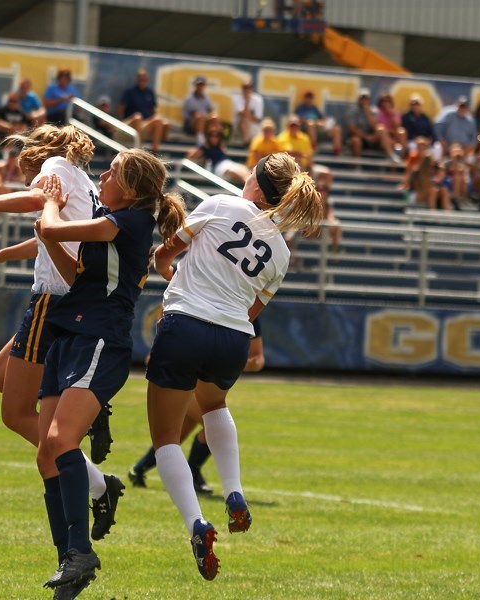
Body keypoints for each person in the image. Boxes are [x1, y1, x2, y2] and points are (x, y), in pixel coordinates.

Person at [0, 124, 126, 551]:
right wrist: (5, 254)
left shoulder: (55, 165)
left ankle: (98, 485)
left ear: (37, 153)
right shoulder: (82, 180)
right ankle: (92, 449)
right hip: (70, 300)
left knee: (19, 418)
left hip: (52, 300)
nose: (21, 166)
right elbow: (49, 231)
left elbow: (34, 201)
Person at [148, 152, 322, 581]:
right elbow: (251, 310)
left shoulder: (220, 204)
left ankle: (196, 524)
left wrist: (170, 274)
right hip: (232, 338)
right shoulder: (281, 250)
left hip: (186, 321)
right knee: (213, 404)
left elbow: (164, 254)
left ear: (257, 186)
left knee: (165, 438)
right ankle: (234, 491)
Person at [34, 151, 186, 597]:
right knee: (47, 455)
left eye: (113, 171)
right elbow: (74, 271)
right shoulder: (113, 218)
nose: (103, 174)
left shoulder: (133, 221)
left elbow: (52, 224)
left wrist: (50, 203)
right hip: (69, 335)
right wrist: (49, 236)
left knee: (62, 441)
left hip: (99, 339)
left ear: (132, 189)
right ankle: (69, 561)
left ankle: (81, 551)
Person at [128, 319, 265, 492]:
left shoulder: (247, 308)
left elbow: (258, 357)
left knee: (176, 433)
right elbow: (167, 324)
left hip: (206, 384)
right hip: (180, 376)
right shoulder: (193, 297)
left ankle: (139, 469)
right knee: (212, 425)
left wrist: (246, 362)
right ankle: (193, 473)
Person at [118, 69, 170, 153]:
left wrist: (157, 118)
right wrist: (121, 122)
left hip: (144, 124)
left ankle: (155, 152)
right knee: (137, 117)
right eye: (141, 79)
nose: (143, 82)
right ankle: (139, 149)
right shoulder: (130, 92)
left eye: (145, 80)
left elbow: (153, 111)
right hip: (131, 123)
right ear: (137, 80)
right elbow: (120, 109)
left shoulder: (150, 93)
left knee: (160, 121)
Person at [346, 88, 400, 163]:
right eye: (362, 98)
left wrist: (367, 112)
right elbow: (352, 129)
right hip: (359, 137)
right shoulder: (352, 111)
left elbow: (374, 126)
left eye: (366, 98)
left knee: (382, 129)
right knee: (356, 141)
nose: (364, 101)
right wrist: (365, 136)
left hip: (372, 138)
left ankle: (391, 156)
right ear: (358, 99)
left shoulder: (374, 111)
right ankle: (356, 167)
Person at [294, 89, 341, 155]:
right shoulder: (300, 107)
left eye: (310, 97)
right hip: (306, 129)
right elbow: (299, 119)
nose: (309, 99)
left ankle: (337, 150)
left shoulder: (314, 108)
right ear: (304, 98)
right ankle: (313, 146)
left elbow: (322, 118)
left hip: (318, 129)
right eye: (307, 97)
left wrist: (322, 123)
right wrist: (314, 122)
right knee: (310, 124)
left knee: (336, 128)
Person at [182, 75, 214, 143]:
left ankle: (217, 139)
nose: (200, 87)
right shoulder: (189, 99)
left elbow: (211, 110)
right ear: (195, 85)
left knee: (214, 117)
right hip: (190, 125)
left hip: (203, 122)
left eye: (202, 85)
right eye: (199, 85)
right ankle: (200, 140)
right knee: (199, 117)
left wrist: (212, 116)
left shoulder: (206, 98)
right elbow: (194, 114)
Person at [232, 79, 264, 146]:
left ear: (252, 88)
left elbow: (257, 118)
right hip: (239, 127)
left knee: (246, 120)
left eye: (249, 87)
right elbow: (241, 114)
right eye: (245, 87)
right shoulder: (237, 98)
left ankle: (246, 142)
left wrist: (247, 101)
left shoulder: (258, 99)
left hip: (254, 126)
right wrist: (247, 102)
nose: (247, 90)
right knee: (244, 121)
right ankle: (246, 143)